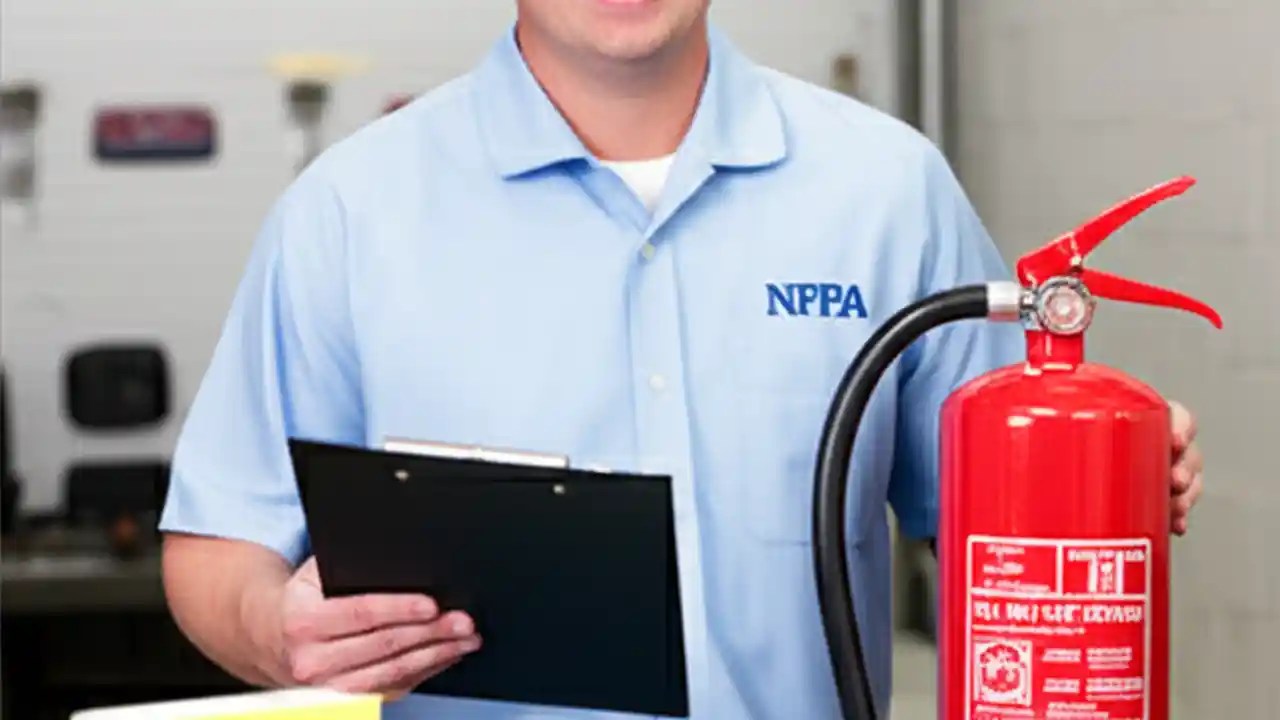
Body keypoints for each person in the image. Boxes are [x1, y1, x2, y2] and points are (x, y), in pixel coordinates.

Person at [158, 1, 1207, 718]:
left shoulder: (883, 192)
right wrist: (274, 631)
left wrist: (1111, 475)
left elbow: (1007, 531)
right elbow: (216, 548)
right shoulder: (352, 214)